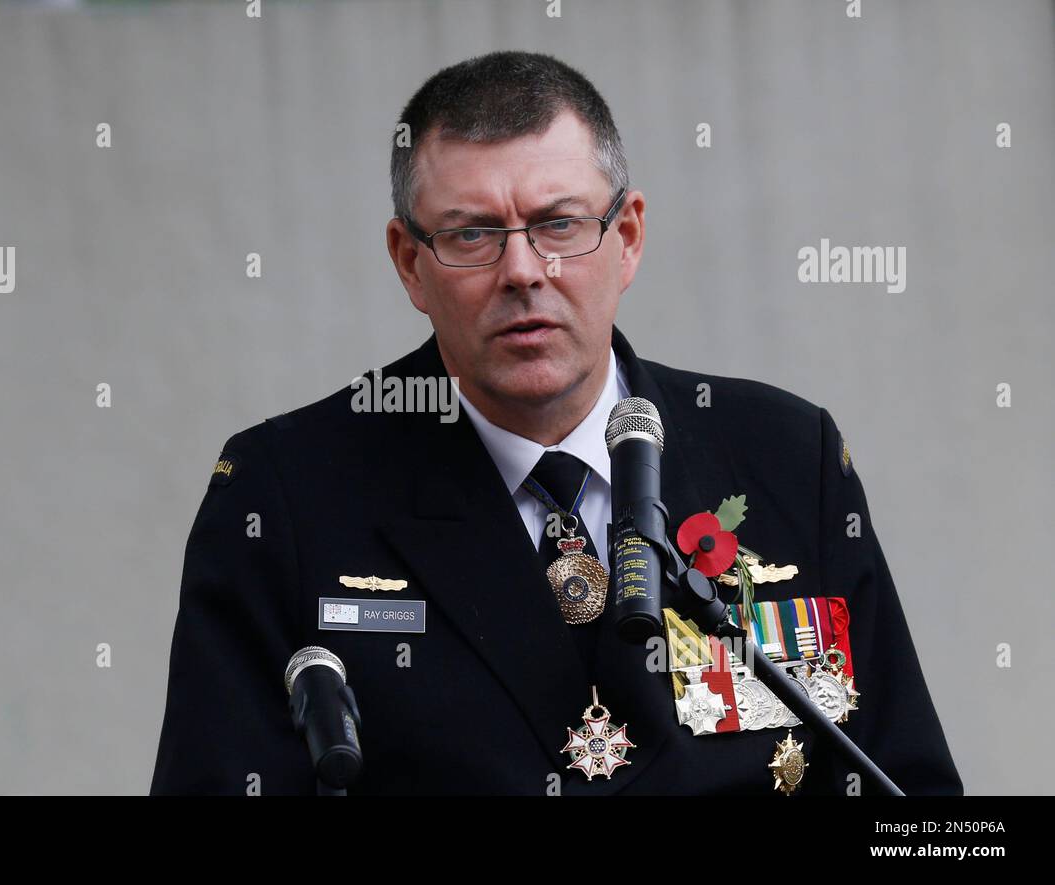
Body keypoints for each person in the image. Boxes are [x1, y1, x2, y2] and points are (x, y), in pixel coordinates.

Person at [150, 50, 961, 796]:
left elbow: (913, 804)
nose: (524, 272)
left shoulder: (786, 458)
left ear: (628, 237)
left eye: (559, 225)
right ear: (409, 263)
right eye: (472, 234)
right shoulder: (288, 495)